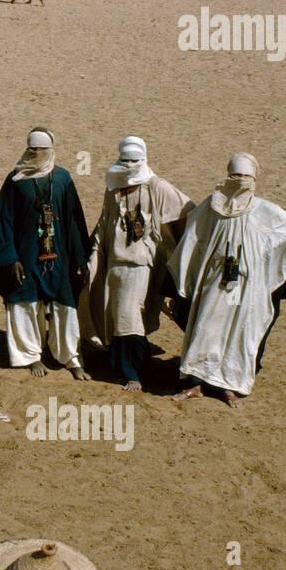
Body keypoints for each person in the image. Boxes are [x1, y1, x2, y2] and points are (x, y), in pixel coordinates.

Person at [167, 153, 286, 407]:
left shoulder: (264, 210)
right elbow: (193, 236)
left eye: (245, 176)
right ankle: (196, 383)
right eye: (235, 175)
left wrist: (265, 259)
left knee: (238, 332)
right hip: (214, 281)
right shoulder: (211, 207)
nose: (240, 180)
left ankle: (229, 387)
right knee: (206, 328)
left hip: (245, 286)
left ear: (253, 179)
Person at [0, 128, 91, 378]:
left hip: (58, 255)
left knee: (64, 305)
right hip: (25, 256)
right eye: (31, 148)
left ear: (50, 150)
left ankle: (70, 357)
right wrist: (11, 258)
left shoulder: (63, 179)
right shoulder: (16, 180)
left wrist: (80, 258)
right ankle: (31, 356)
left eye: (41, 149)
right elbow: (3, 221)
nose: (35, 152)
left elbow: (73, 221)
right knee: (25, 303)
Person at [84, 136, 192, 390]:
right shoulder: (114, 188)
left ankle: (134, 372)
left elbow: (187, 211)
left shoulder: (156, 186)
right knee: (115, 314)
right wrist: (93, 253)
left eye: (135, 161)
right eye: (126, 161)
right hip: (115, 262)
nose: (130, 165)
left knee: (130, 315)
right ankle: (121, 365)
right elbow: (104, 223)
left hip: (141, 264)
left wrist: (180, 248)